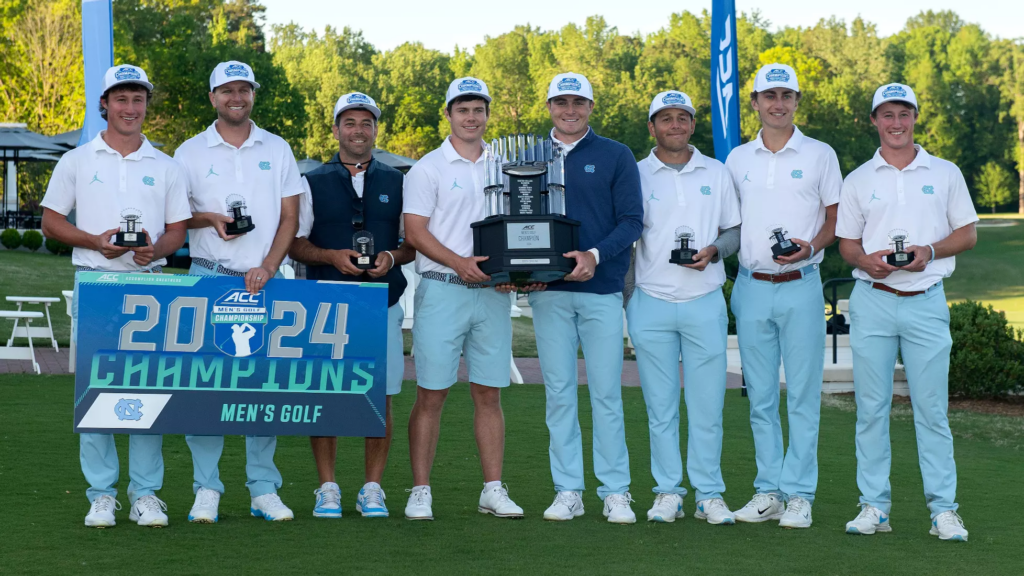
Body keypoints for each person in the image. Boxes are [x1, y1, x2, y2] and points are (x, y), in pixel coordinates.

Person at [40, 64, 191, 528]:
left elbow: (177, 231)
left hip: (151, 287)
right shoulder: (77, 160)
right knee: (96, 389)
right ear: (104, 104)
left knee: (149, 388)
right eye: (121, 99)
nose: (130, 108)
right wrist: (94, 241)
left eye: (138, 99)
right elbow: (51, 221)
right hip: (96, 283)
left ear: (146, 105)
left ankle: (146, 493)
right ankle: (101, 494)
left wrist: (156, 249)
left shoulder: (166, 165)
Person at [837, 83, 976, 542]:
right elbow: (847, 244)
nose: (896, 123)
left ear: (915, 117)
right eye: (887, 115)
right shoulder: (858, 178)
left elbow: (967, 233)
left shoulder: (945, 171)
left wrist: (930, 250)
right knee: (871, 410)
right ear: (874, 120)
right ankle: (874, 506)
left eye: (904, 114)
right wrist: (864, 260)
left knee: (932, 410)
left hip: (926, 299)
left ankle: (944, 510)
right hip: (873, 299)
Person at [173, 60, 302, 523]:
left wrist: (270, 265)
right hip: (208, 278)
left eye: (244, 89)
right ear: (212, 98)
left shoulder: (278, 147)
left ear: (253, 95)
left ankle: (263, 487)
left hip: (266, 281)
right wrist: (207, 219)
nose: (236, 97)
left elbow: (290, 217)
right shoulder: (188, 153)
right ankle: (206, 487)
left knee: (262, 389)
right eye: (227, 90)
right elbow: (173, 219)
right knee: (206, 386)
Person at [400, 77, 524, 521]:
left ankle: (492, 488)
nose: (471, 118)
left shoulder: (506, 164)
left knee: (489, 394)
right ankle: (420, 490)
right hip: (444, 288)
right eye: (463, 110)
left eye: (479, 110)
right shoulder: (428, 168)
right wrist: (458, 262)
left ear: (488, 114)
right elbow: (414, 232)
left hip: (492, 292)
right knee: (431, 394)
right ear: (449, 115)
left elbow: (519, 227)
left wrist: (516, 272)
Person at [724, 63, 842, 528]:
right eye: (768, 96)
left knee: (802, 396)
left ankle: (800, 495)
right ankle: (768, 491)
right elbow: (729, 226)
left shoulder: (820, 154)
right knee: (760, 399)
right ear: (754, 102)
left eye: (786, 96)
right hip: (751, 288)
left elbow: (835, 220)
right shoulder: (737, 159)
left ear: (796, 102)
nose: (777, 104)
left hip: (802, 287)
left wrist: (811, 247)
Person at [288, 91, 414, 519]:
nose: (358, 131)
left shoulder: (399, 180)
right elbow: (296, 245)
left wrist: (392, 258)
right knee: (326, 394)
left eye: (366, 123)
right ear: (336, 129)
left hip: (381, 300)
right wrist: (331, 257)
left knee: (380, 394)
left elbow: (412, 243)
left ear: (376, 129)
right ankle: (327, 487)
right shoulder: (311, 181)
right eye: (350, 123)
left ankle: (372, 488)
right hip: (326, 304)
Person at [529, 73, 644, 524]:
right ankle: (568, 490)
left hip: (600, 290)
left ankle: (616, 491)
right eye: (561, 102)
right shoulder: (530, 156)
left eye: (578, 102)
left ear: (591, 107)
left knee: (606, 394)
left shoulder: (615, 154)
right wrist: (522, 269)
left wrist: (594, 255)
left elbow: (632, 221)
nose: (569, 110)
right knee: (558, 393)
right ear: (550, 106)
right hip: (549, 291)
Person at [626, 91, 740, 524]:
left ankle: (709, 494)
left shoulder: (716, 170)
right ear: (652, 126)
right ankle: (668, 492)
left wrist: (714, 250)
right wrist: (628, 297)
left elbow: (734, 230)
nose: (675, 125)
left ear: (693, 124)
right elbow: (629, 239)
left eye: (683, 118)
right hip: (651, 302)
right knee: (660, 407)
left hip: (705, 300)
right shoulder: (635, 174)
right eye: (666, 118)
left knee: (708, 406)